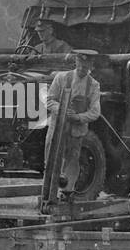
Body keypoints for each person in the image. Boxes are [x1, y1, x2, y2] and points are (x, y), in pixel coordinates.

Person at [44, 48, 102, 202]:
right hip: (57, 127)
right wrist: (62, 110)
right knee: (52, 158)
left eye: (86, 64)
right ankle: (49, 192)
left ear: (91, 65)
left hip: (77, 129)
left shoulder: (94, 85)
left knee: (73, 159)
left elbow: (95, 112)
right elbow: (49, 100)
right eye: (80, 63)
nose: (83, 67)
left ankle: (67, 192)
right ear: (76, 61)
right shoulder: (61, 78)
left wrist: (78, 117)